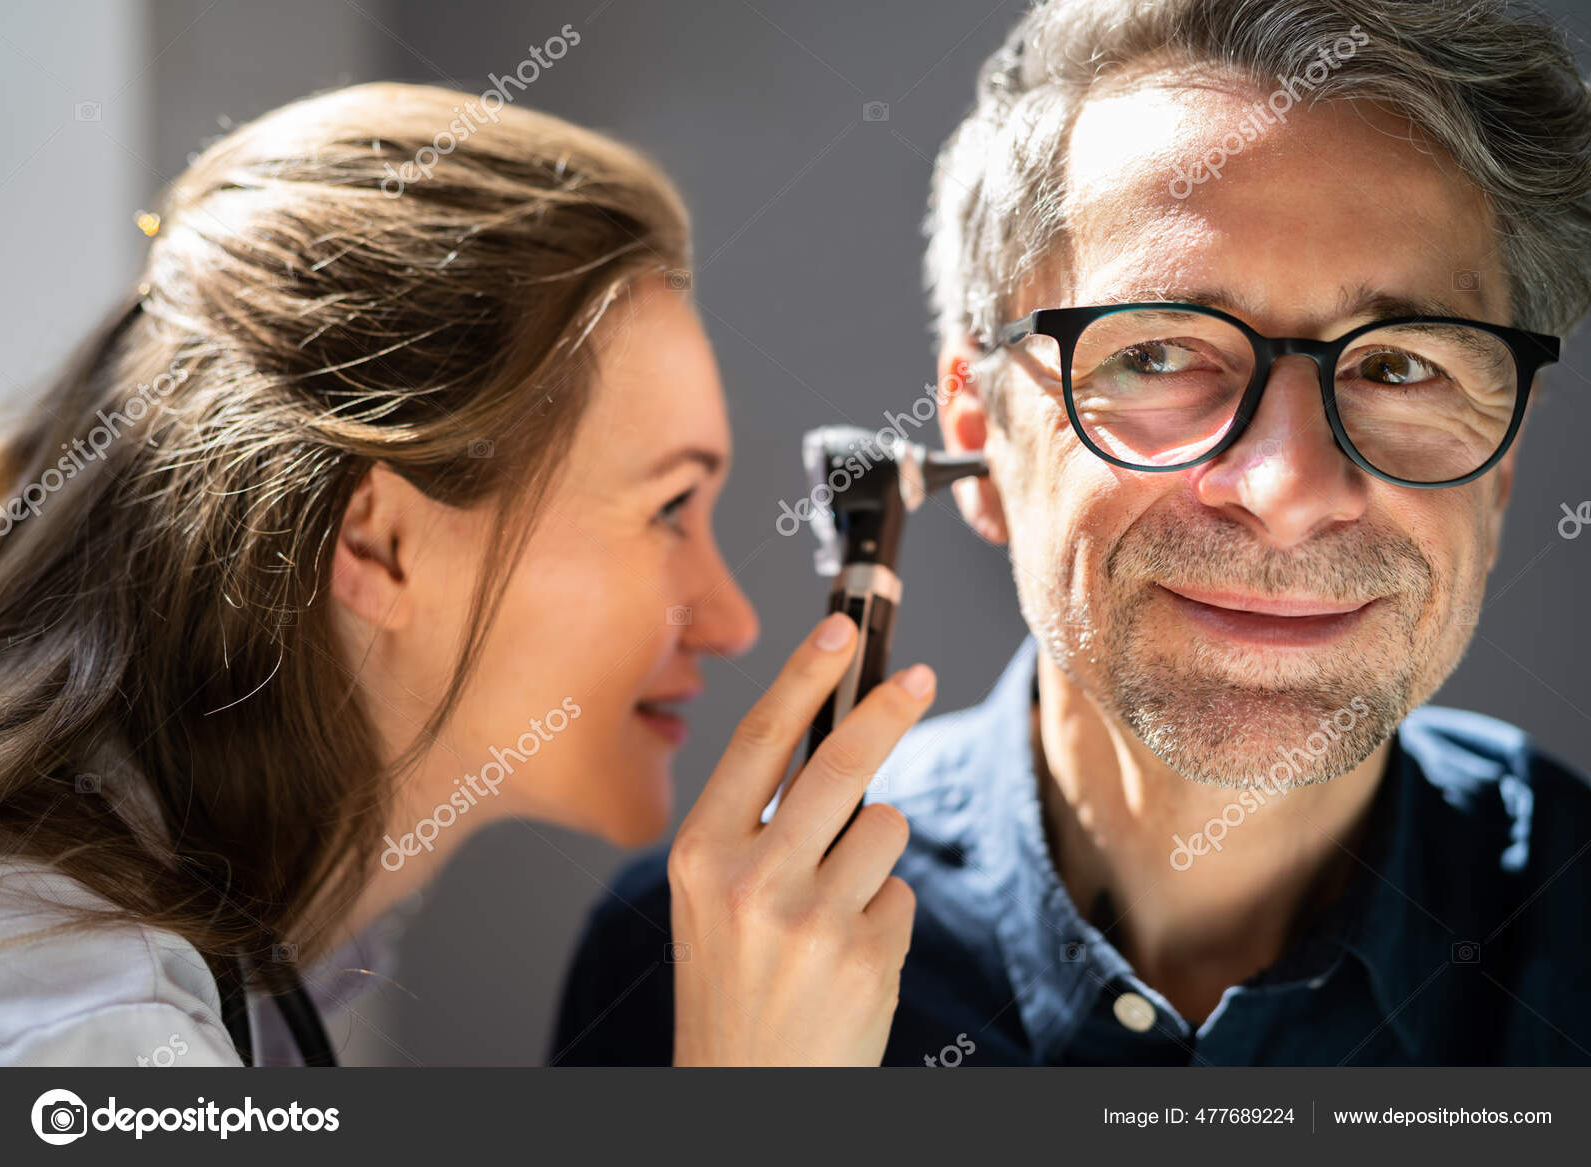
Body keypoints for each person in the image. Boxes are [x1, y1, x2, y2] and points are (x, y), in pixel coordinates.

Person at [552, 0, 1591, 1066]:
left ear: (1500, 464)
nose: (1285, 487)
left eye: (1401, 366)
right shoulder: (688, 970)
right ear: (977, 429)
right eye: (1155, 354)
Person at [0, 82, 930, 1066]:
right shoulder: (92, 1030)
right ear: (379, 545)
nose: (730, 620)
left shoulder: (266, 947)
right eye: (666, 509)